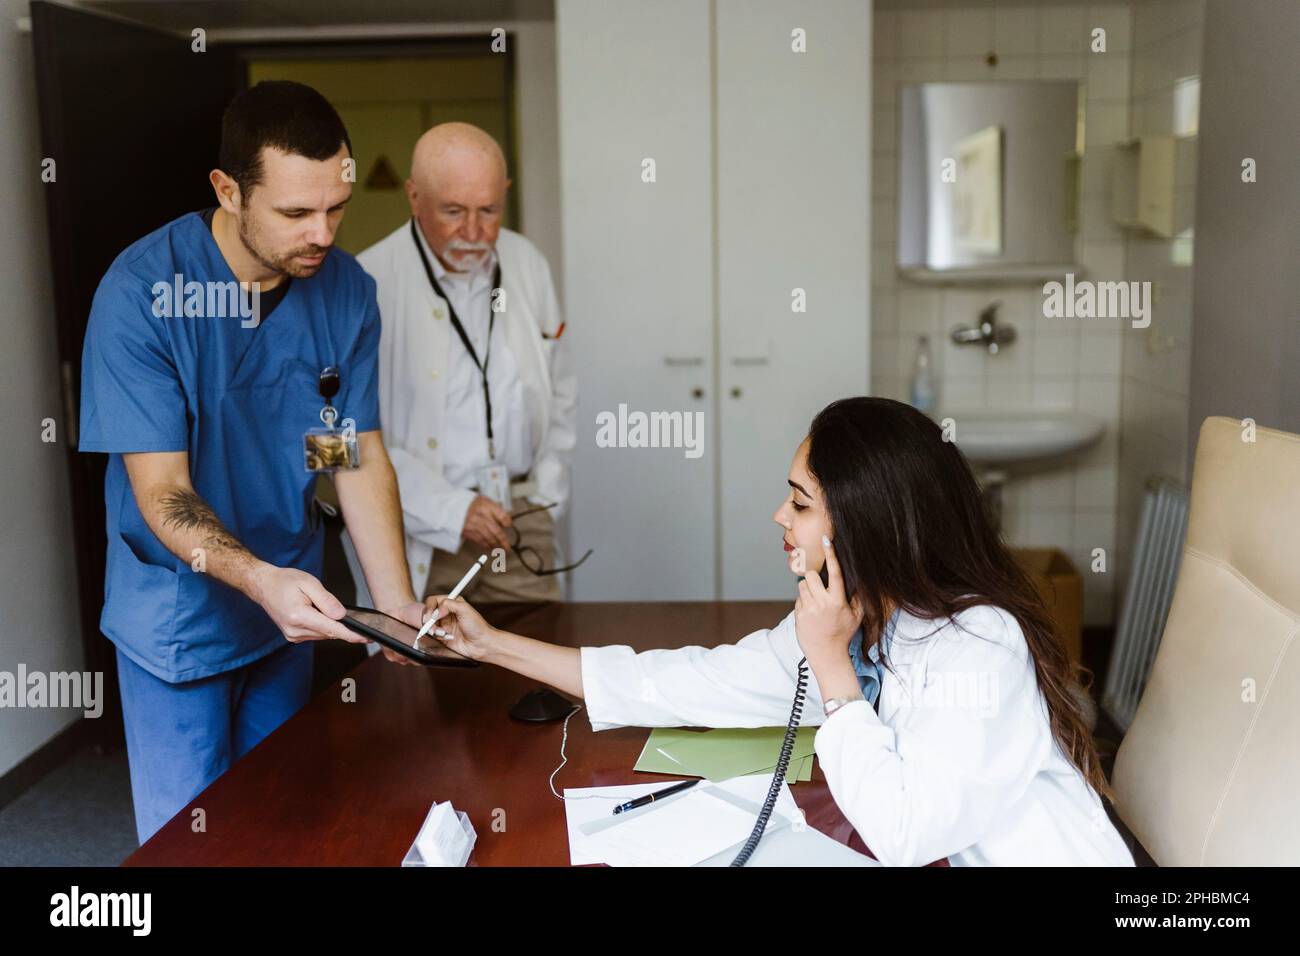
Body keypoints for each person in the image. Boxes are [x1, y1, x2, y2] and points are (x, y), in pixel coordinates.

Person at [418, 397, 1137, 866]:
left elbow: (908, 833)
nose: (778, 518)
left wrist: (829, 668)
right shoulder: (858, 618)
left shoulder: (979, 641)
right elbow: (681, 681)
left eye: (799, 502)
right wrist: (490, 645)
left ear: (864, 520)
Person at [79, 80, 434, 843]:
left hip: (293, 614)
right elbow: (164, 489)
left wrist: (395, 605)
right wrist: (259, 580)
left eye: (335, 209)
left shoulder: (344, 292)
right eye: (295, 214)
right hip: (183, 614)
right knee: (194, 844)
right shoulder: (142, 294)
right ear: (227, 191)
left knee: (283, 824)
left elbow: (349, 452)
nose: (323, 234)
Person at [344, 122, 577, 608]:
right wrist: (451, 509)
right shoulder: (365, 283)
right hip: (421, 526)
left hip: (520, 518)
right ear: (413, 197)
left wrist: (547, 495)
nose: (473, 232)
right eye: (452, 212)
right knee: (428, 673)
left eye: (489, 210)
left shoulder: (527, 262)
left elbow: (561, 390)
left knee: (540, 668)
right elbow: (345, 441)